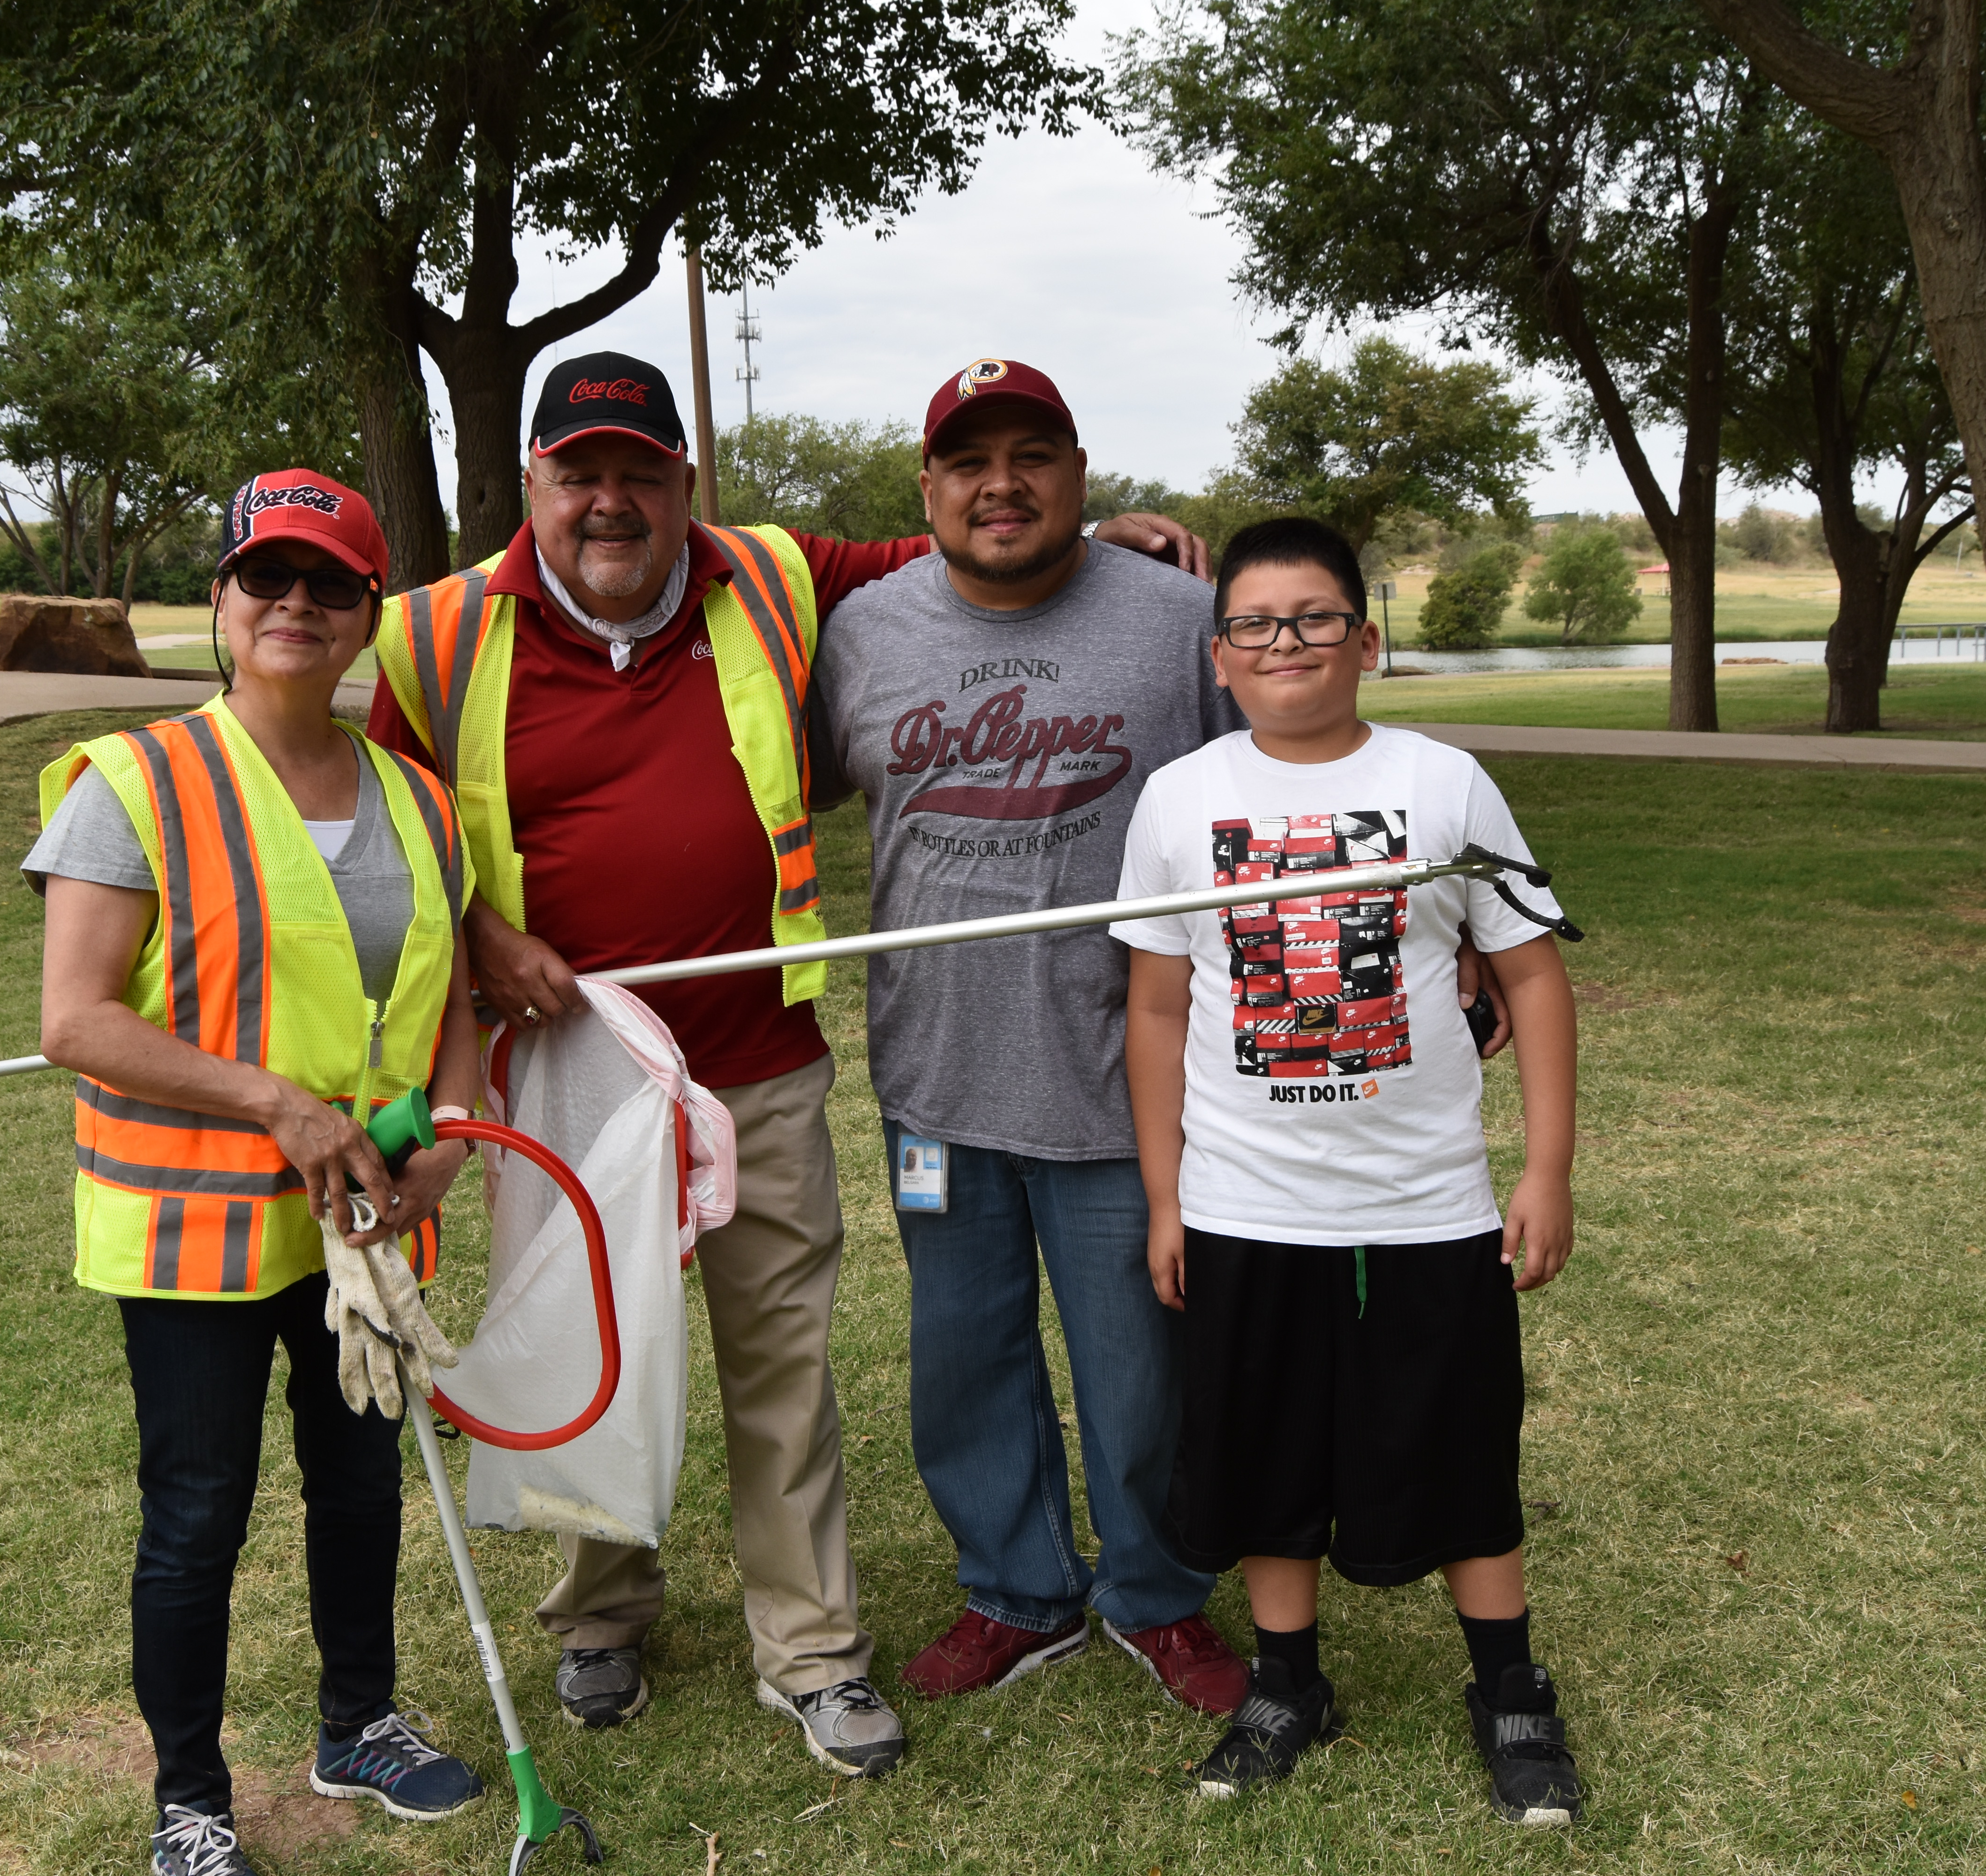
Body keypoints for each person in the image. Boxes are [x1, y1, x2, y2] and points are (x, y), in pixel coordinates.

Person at [361, 349, 1209, 1778]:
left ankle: (812, 1653)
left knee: (784, 1372)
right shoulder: (433, 634)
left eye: (642, 475)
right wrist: (483, 931)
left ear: (683, 481)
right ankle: (602, 1612)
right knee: (587, 1345)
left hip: (757, 1061)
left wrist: (1105, 535)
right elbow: (390, 831)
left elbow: (957, 544)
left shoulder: (765, 575)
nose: (613, 503)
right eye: (582, 475)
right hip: (563, 1069)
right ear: (533, 483)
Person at [29, 470, 488, 1876]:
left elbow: (453, 1000)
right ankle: (191, 1800)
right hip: (192, 1231)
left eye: (331, 584)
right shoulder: (135, 784)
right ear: (223, 599)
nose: (297, 604)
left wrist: (448, 1135)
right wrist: (276, 1105)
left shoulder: (419, 798)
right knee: (196, 1516)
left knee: (361, 1484)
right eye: (267, 577)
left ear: (368, 615)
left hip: (362, 1216)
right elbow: (75, 1021)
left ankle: (360, 1725)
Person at [1110, 516, 1584, 1823]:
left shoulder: (1446, 783)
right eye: (1255, 625)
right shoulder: (1180, 800)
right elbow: (1156, 1008)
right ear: (1219, 655)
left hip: (1427, 1203)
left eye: (1315, 618)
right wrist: (1167, 1195)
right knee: (1263, 1451)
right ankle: (1287, 1684)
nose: (1288, 644)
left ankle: (1510, 1687)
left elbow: (1534, 977)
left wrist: (1545, 1170)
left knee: (1460, 1442)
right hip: (1244, 1200)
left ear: (1365, 641)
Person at [806, 357, 1260, 1717]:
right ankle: (1016, 1590)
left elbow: (1285, 787)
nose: (999, 486)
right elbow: (777, 789)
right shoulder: (863, 633)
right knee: (965, 1357)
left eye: (1031, 456)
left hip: (1125, 1073)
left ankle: (1158, 1593)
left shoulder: (1181, 621)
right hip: (935, 1072)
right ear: (928, 488)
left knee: (1141, 1366)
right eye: (969, 462)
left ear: (1078, 473)